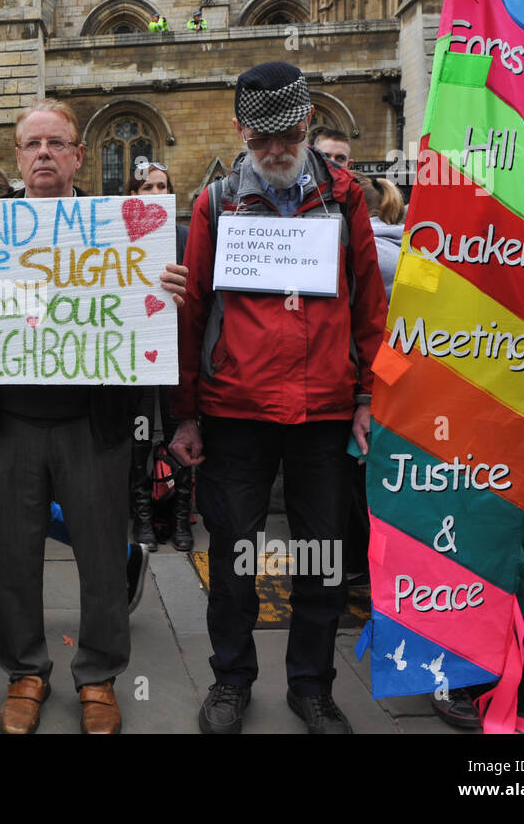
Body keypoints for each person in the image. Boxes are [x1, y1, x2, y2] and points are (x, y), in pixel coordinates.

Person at [169, 62, 387, 734]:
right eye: (261, 138)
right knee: (235, 557)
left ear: (308, 123)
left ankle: (312, 685)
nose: (275, 150)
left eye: (288, 134)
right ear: (240, 131)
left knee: (322, 558)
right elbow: (192, 308)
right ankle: (231, 679)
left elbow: (370, 310)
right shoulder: (213, 203)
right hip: (235, 411)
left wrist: (368, 395)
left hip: (323, 412)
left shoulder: (347, 198)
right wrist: (183, 412)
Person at [0, 98, 187, 735]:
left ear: (77, 155)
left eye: (56, 143)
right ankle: (25, 672)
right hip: (10, 421)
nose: (43, 154)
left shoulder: (123, 228)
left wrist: (166, 295)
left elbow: (150, 320)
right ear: (17, 156)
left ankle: (98, 675)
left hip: (95, 424)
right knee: (12, 556)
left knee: (99, 555)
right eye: (32, 144)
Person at [126, 160, 192, 551]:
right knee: (137, 439)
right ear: (133, 195)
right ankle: (143, 518)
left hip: (176, 352)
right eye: (146, 187)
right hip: (134, 352)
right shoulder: (122, 236)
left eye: (161, 186)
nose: (154, 193)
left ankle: (181, 518)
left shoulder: (185, 236)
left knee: (178, 435)